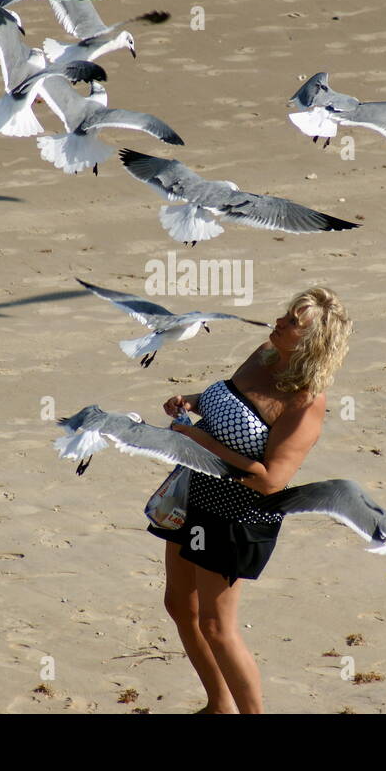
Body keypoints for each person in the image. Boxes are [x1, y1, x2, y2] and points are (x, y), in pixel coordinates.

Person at [149, 286, 352, 714]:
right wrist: (192, 401)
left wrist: (198, 438)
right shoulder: (264, 354)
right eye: (285, 315)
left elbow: (271, 481)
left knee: (216, 625)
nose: (279, 323)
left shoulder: (305, 400)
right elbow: (225, 404)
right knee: (178, 606)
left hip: (235, 515)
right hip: (194, 494)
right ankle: (219, 705)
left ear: (314, 341)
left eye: (293, 323)